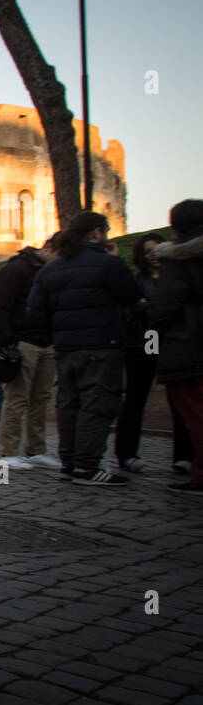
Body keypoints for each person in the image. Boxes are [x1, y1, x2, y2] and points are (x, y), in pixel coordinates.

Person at [27, 211, 139, 485]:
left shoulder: (50, 269)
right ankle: (87, 466)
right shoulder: (107, 264)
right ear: (97, 232)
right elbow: (132, 296)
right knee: (97, 402)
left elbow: (35, 314)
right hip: (102, 344)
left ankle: (69, 462)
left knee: (70, 403)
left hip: (66, 347)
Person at [148, 199, 203, 495]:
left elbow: (163, 308)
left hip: (188, 345)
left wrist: (150, 345)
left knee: (196, 413)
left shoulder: (178, 259)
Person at [0, 236, 61, 470]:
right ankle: (9, 452)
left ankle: (36, 449)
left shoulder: (47, 271)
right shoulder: (17, 269)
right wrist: (6, 342)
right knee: (17, 398)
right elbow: (0, 307)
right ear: (49, 248)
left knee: (40, 398)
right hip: (23, 342)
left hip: (46, 342)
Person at [114, 233, 167, 472]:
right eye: (148, 251)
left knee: (180, 398)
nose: (154, 255)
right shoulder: (138, 280)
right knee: (137, 396)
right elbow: (135, 310)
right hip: (145, 340)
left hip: (174, 341)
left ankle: (184, 457)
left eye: (157, 249)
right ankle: (127, 453)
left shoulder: (175, 277)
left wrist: (150, 306)